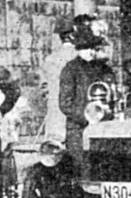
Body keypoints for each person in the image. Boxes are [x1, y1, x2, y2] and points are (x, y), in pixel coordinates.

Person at [57, 29, 115, 158]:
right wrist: (88, 117)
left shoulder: (105, 70)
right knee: (81, 168)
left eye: (93, 48)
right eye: (84, 48)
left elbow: (113, 98)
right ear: (78, 49)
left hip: (105, 128)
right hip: (79, 130)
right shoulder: (70, 70)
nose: (90, 52)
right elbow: (65, 104)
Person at [40, 17, 77, 143]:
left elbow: (44, 89)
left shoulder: (50, 59)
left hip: (54, 116)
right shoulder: (79, 58)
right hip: (74, 116)